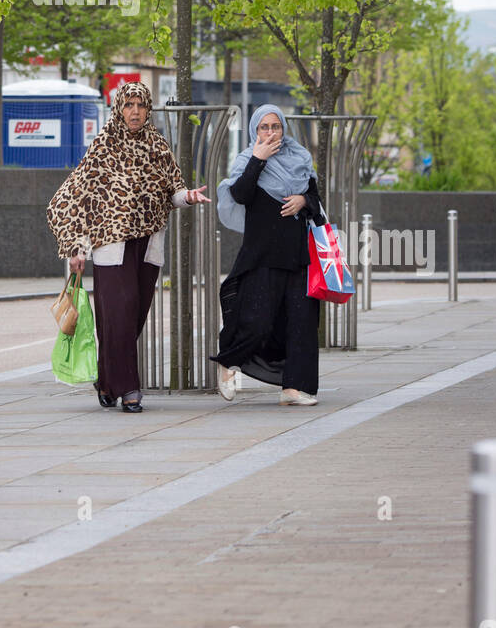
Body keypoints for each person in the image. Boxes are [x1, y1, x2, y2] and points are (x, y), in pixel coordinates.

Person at [47, 81, 209, 413]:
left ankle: (106, 380)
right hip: (111, 245)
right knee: (120, 313)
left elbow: (173, 191)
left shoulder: (158, 146)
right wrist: (77, 247)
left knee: (131, 316)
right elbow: (72, 197)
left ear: (148, 109)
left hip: (148, 243)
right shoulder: (103, 146)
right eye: (128, 105)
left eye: (140, 105)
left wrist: (188, 197)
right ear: (119, 108)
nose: (134, 111)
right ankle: (129, 390)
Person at [210, 104, 325, 406]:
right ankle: (228, 362)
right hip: (262, 256)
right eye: (264, 127)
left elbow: (315, 197)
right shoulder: (248, 159)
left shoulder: (299, 158)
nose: (271, 133)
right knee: (257, 322)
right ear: (255, 131)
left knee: (301, 323)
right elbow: (240, 195)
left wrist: (303, 200)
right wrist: (259, 161)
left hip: (298, 254)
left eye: (276, 127)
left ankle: (294, 388)